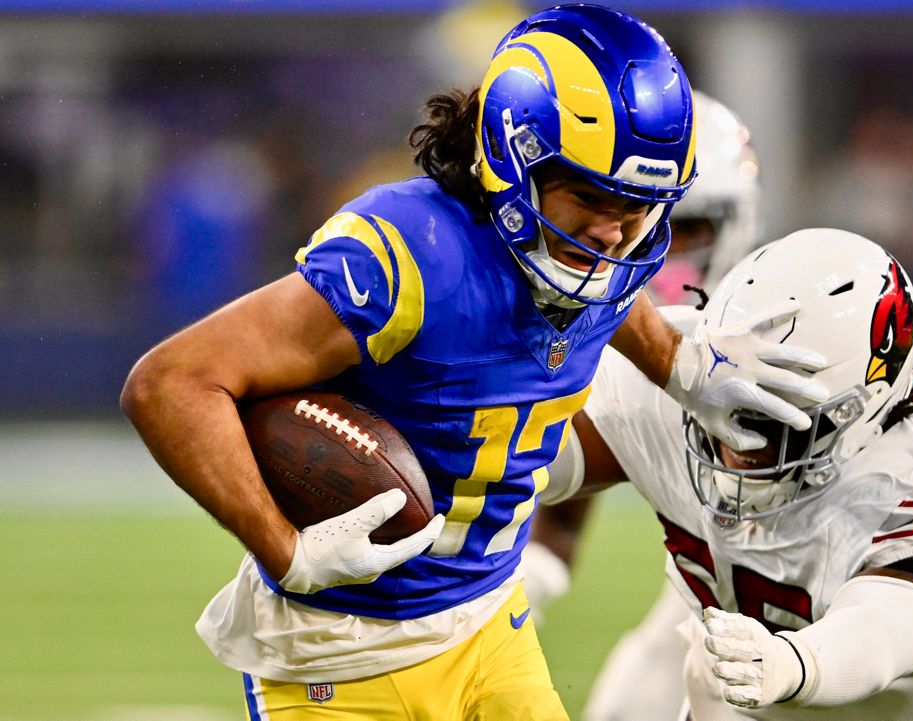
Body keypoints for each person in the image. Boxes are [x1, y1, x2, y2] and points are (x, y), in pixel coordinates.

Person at [118, 5, 827, 720]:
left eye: (639, 206)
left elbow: (617, 288)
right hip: (337, 649)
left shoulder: (604, 252)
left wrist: (682, 365)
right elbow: (171, 381)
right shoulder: (412, 255)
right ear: (515, 158)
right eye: (590, 195)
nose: (614, 233)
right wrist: (283, 549)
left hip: (489, 624)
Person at [534, 228, 913, 720]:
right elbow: (522, 455)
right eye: (733, 396)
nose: (737, 438)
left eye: (774, 419)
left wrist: (794, 663)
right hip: (739, 700)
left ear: (857, 418)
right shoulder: (681, 380)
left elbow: (895, 621)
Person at [522, 89, 765, 721]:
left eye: (680, 227)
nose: (647, 244)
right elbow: (558, 479)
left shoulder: (764, 335)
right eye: (632, 213)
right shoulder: (554, 306)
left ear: (735, 224)